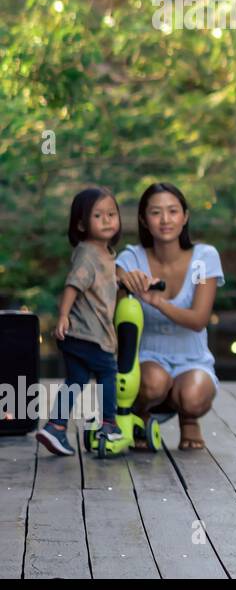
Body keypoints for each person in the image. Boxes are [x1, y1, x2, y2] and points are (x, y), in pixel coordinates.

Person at [115, 182, 225, 450]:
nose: (165, 220)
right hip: (149, 357)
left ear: (185, 216)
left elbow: (198, 320)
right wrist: (122, 280)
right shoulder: (133, 258)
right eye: (156, 212)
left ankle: (188, 420)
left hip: (192, 359)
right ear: (143, 219)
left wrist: (157, 301)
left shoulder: (202, 258)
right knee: (152, 385)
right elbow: (112, 288)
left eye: (173, 211)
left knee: (193, 397)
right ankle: (139, 416)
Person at [35, 187, 125, 456]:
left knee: (76, 380)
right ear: (81, 224)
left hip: (77, 336)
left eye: (112, 214)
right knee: (108, 373)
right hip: (90, 334)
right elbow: (72, 285)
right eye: (99, 215)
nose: (107, 220)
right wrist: (62, 315)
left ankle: (56, 427)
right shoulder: (88, 253)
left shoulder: (105, 253)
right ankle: (109, 424)